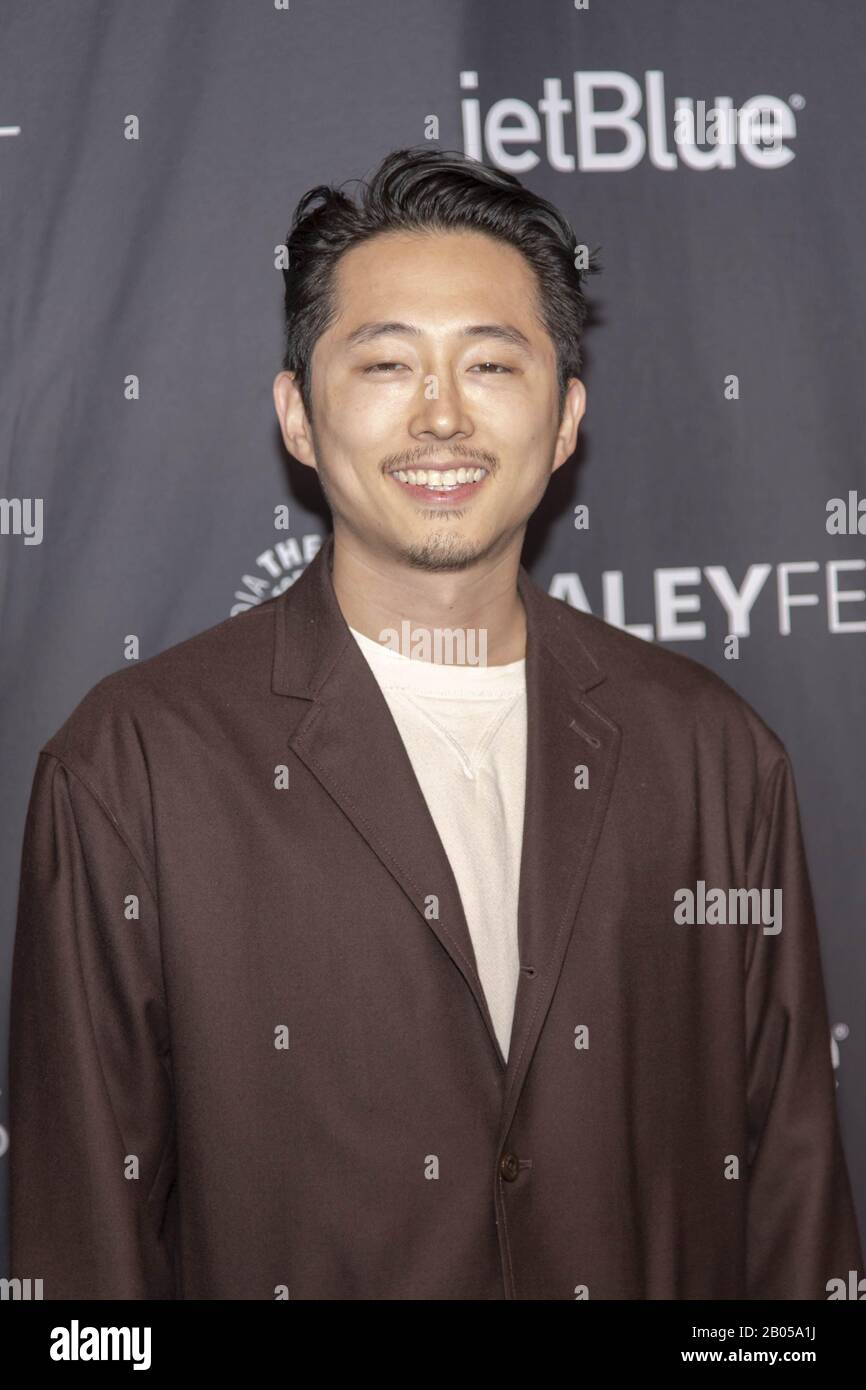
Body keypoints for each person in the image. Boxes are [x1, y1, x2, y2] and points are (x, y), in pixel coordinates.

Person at [9, 147, 861, 1300]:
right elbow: (83, 1254)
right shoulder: (136, 765)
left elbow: (792, 1196)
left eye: (491, 364)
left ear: (564, 419)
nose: (441, 415)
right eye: (386, 362)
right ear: (297, 417)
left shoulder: (710, 754)